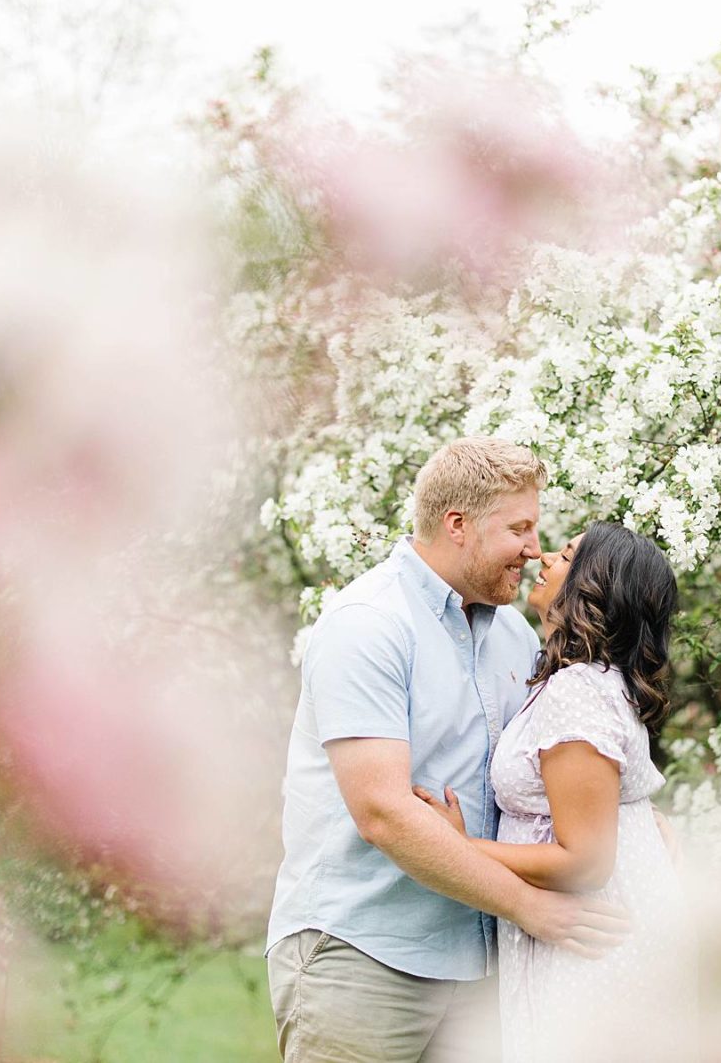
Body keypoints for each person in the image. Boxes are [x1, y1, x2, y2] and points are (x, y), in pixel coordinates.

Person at [265, 438, 631, 1063]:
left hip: (482, 963)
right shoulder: (368, 624)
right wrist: (531, 909)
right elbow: (381, 812)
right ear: (457, 525)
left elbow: (565, 772)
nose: (534, 548)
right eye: (519, 527)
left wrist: (646, 828)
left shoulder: (514, 636)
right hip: (362, 951)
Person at [416, 521, 698, 1061]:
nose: (544, 556)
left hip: (593, 942)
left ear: (595, 584)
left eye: (567, 554)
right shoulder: (581, 681)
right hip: (595, 933)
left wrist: (457, 847)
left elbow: (586, 861)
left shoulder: (578, 692)